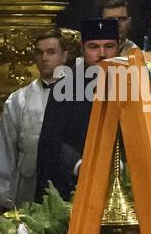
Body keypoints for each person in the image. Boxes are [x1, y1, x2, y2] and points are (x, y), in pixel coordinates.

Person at [0, 29, 69, 208]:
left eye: (51, 52)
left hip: (69, 179)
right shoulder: (19, 99)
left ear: (64, 56)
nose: (44, 58)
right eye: (39, 53)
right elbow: (4, 145)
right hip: (30, 184)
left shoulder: (80, 95)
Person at [35, 18, 120, 199]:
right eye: (94, 47)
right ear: (83, 49)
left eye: (109, 46)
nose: (102, 54)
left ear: (119, 48)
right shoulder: (63, 89)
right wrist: (80, 166)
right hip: (75, 185)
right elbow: (51, 142)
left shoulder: (132, 85)